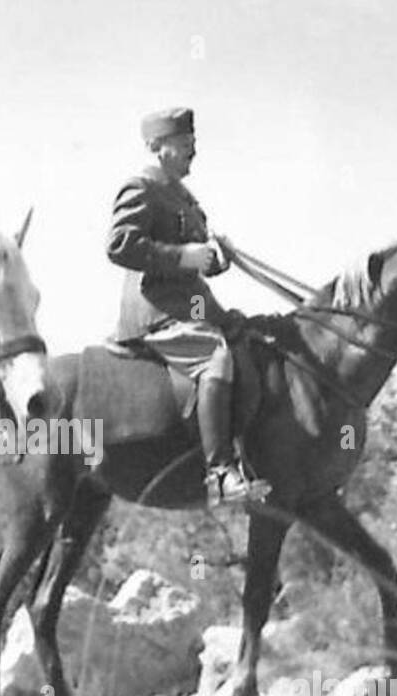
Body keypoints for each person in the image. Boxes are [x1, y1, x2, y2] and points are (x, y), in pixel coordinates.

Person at [106, 107, 282, 507]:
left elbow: (195, 262)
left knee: (251, 341)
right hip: (155, 310)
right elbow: (120, 246)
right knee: (214, 358)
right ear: (157, 146)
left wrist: (218, 258)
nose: (193, 152)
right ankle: (219, 473)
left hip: (193, 305)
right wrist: (184, 255)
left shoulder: (185, 197)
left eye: (193, 144)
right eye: (185, 145)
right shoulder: (141, 187)